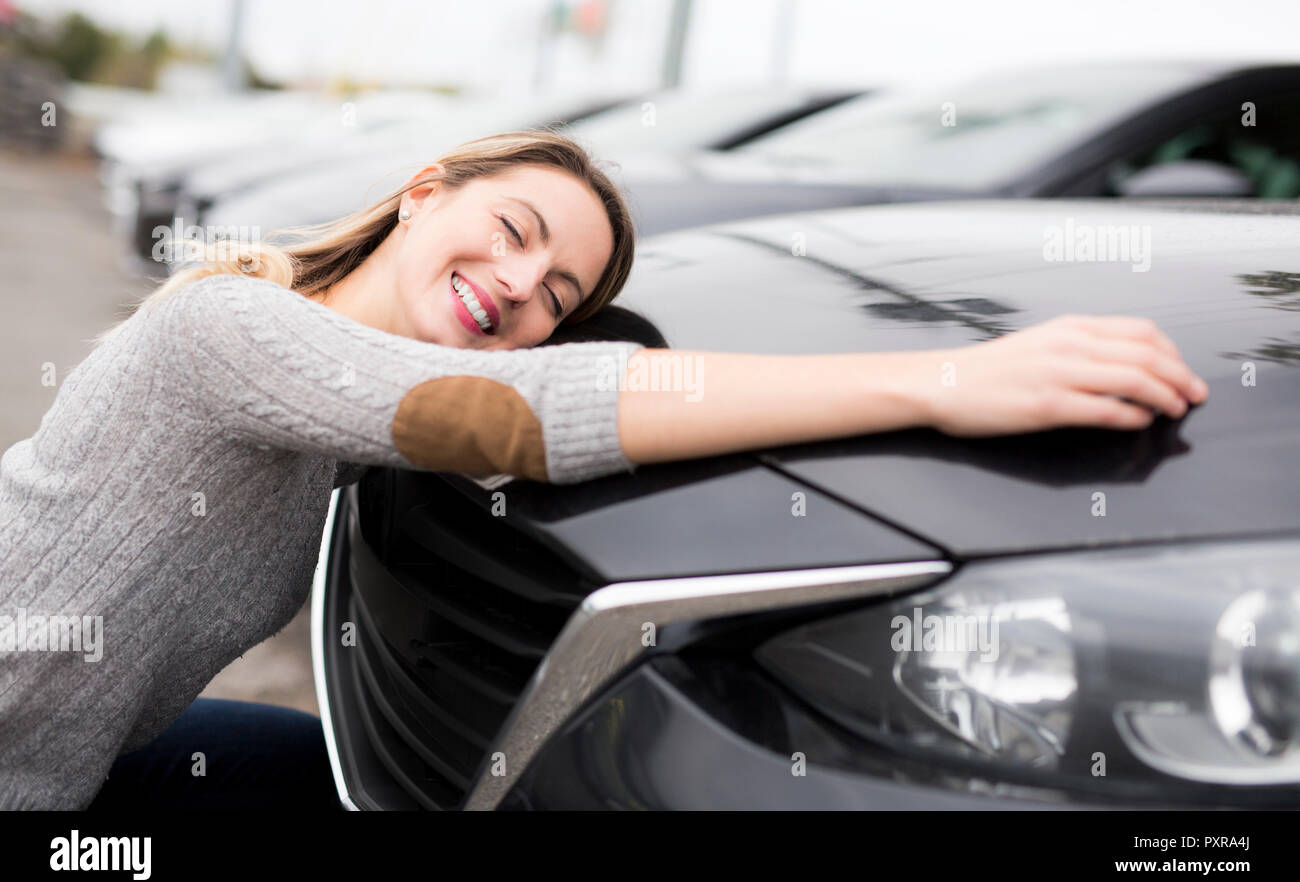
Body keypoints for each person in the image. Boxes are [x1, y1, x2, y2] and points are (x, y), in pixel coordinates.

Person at [0, 129, 1207, 811]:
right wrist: (943, 383)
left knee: (315, 779)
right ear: (425, 194)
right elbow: (511, 416)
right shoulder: (229, 330)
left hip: (82, 755)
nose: (521, 287)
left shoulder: (330, 397)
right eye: (517, 233)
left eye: (557, 297)